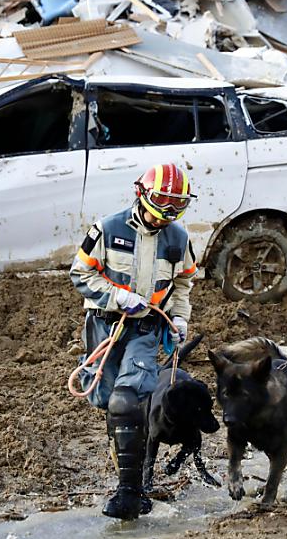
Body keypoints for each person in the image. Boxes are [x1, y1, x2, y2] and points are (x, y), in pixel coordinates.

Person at [70, 163, 198, 520]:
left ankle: (130, 492)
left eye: (178, 205)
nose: (169, 213)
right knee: (106, 399)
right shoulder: (107, 229)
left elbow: (183, 284)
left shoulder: (179, 239)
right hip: (105, 324)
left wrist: (179, 318)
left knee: (129, 398)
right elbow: (79, 272)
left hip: (145, 329)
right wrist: (117, 297)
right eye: (163, 202)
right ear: (141, 194)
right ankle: (127, 467)